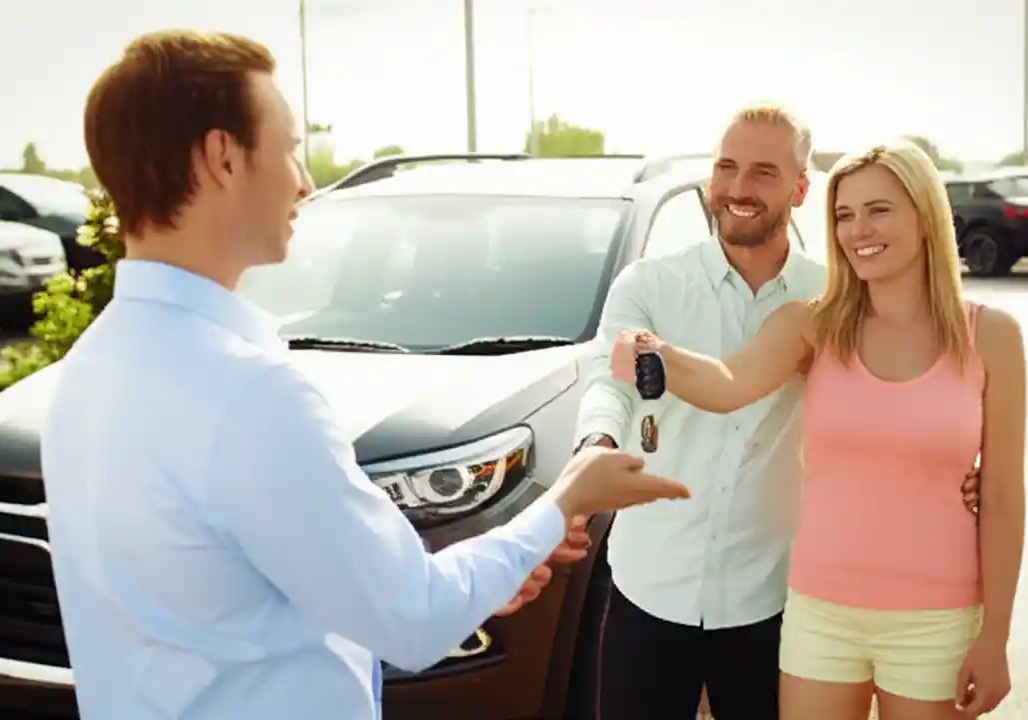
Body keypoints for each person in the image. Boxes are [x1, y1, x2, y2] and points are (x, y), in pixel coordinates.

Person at [38, 30, 689, 720]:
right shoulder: (250, 395)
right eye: (289, 147)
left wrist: (478, 574)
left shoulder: (86, 371)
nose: (305, 181)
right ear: (223, 157)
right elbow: (413, 618)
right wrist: (564, 500)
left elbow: (235, 597)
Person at [573, 103, 979, 719]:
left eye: (763, 172)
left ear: (800, 189)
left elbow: (897, 401)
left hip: (773, 597)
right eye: (726, 167)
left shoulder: (834, 301)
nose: (739, 188)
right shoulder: (648, 285)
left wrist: (953, 475)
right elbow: (612, 382)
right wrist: (595, 448)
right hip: (649, 585)